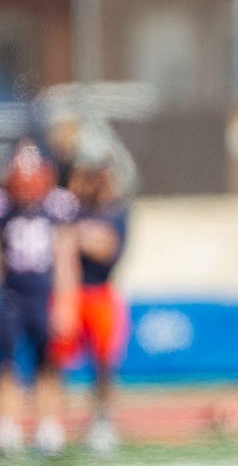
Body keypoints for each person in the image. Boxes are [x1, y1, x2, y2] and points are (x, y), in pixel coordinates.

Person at [0, 140, 80, 457]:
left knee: (48, 365)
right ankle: (8, 423)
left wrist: (65, 301)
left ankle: (48, 425)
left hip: (44, 296)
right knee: (5, 365)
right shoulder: (5, 206)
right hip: (12, 295)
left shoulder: (59, 206)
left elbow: (65, 257)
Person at [49, 151, 130, 456]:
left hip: (100, 292)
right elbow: (61, 241)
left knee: (105, 363)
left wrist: (79, 236)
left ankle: (103, 421)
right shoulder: (68, 206)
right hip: (69, 292)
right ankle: (53, 422)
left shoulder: (115, 209)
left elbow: (108, 248)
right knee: (55, 360)